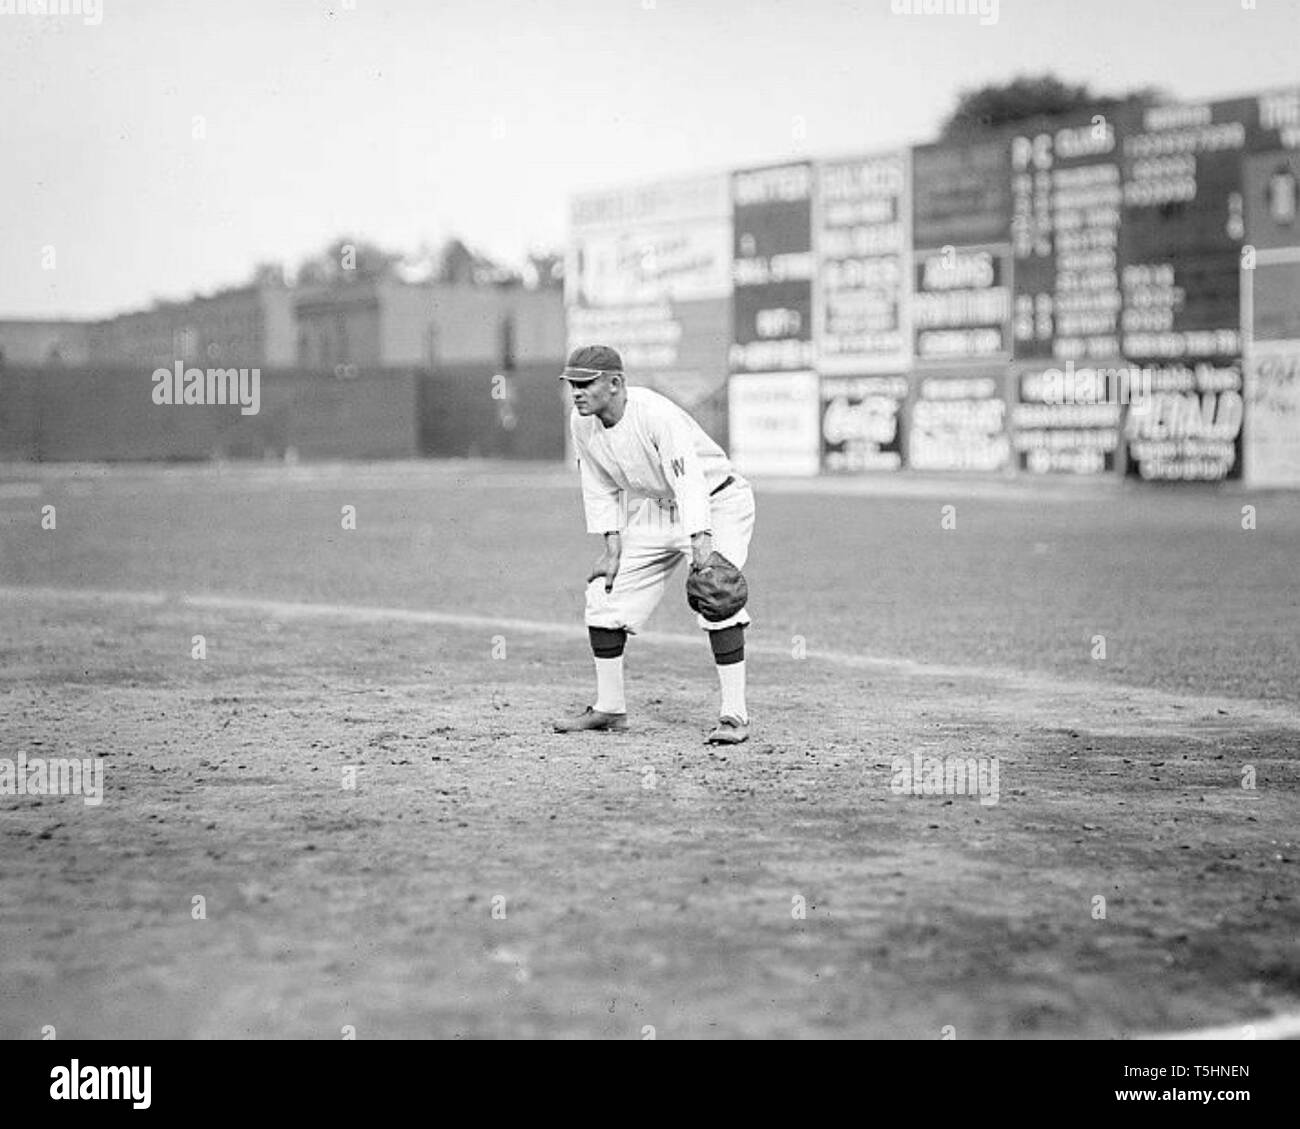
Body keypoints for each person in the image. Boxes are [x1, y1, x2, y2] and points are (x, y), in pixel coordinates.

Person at [553, 344, 755, 744]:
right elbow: (597, 483)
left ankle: (735, 715)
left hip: (716, 500)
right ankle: (610, 708)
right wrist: (612, 549)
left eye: (585, 383)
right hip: (659, 509)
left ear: (615, 383)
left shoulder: (656, 415)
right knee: (604, 594)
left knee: (718, 593)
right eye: (571, 384)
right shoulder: (583, 424)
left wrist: (701, 545)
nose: (576, 392)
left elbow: (689, 481)